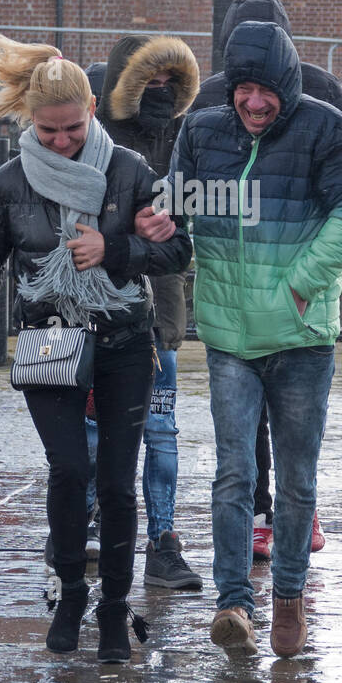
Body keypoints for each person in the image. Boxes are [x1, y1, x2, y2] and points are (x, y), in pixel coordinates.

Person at [0, 36, 191, 664]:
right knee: (71, 469)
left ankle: (115, 609)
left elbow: (178, 253)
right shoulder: (9, 186)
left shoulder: (128, 173)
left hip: (125, 341)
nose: (62, 141)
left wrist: (116, 250)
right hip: (50, 343)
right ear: (29, 121)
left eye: (72, 128)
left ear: (92, 108)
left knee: (120, 484)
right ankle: (72, 591)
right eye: (48, 131)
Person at [138, 19, 342, 657]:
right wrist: (158, 226)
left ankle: (289, 596)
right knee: (233, 472)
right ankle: (233, 604)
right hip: (229, 335)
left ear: (286, 86)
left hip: (302, 335)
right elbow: (178, 208)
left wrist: (303, 279)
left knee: (297, 481)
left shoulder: (327, 130)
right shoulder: (203, 131)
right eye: (243, 89)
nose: (253, 102)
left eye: (265, 90)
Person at [188, 0, 342, 561]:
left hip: (247, 281)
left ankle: (264, 516)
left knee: (247, 431)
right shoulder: (321, 89)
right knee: (295, 431)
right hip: (286, 273)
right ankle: (291, 518)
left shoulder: (213, 94)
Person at [97, 34, 203, 591]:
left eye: (170, 83)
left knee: (160, 429)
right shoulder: (96, 140)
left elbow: (194, 222)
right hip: (99, 305)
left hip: (160, 306)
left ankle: (162, 541)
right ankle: (92, 524)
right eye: (148, 82)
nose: (159, 92)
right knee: (96, 427)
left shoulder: (187, 140)